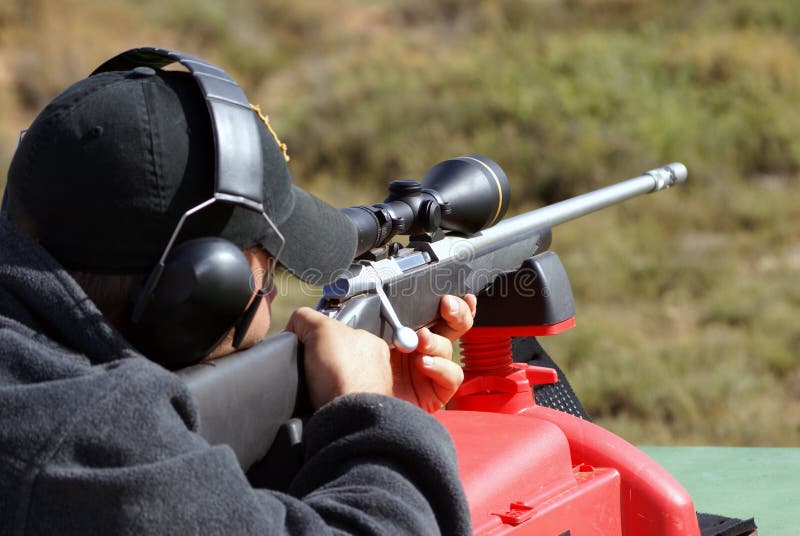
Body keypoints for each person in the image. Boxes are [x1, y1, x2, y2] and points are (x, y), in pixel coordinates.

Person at [0, 48, 474, 535]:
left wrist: (313, 434)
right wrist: (376, 419)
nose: (271, 303)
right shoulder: (79, 436)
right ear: (197, 293)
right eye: (269, 276)